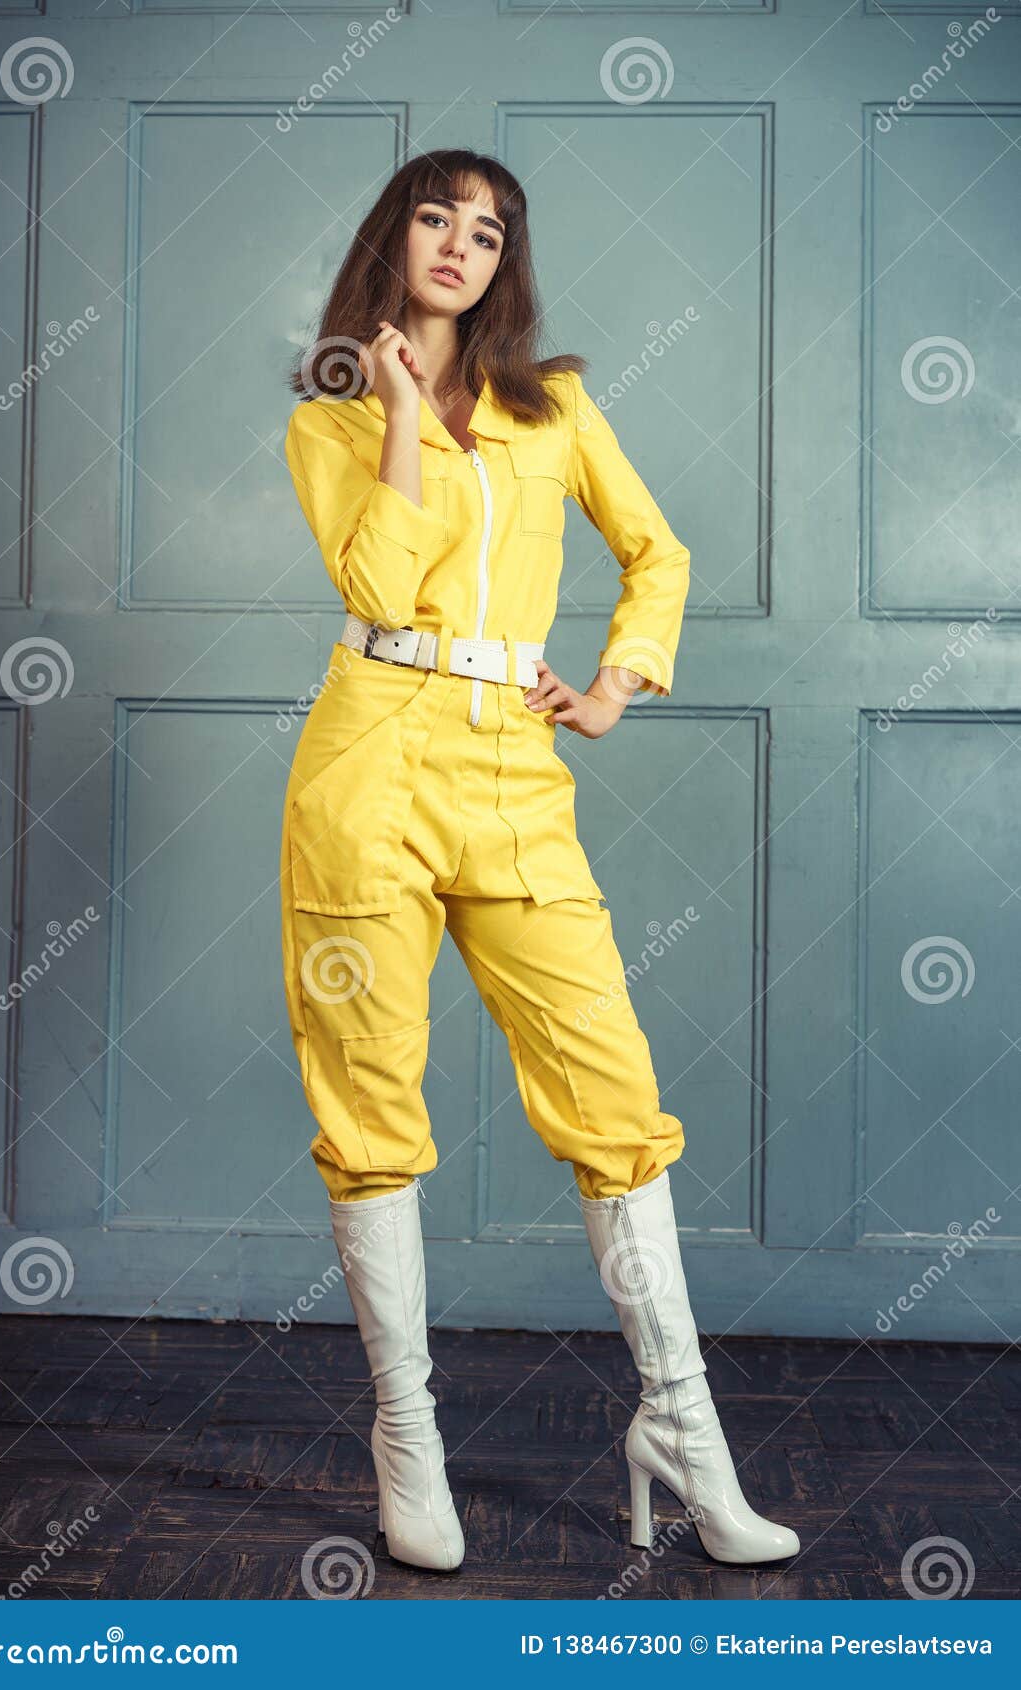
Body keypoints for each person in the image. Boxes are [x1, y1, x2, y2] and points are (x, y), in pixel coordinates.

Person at [279, 149, 799, 1574]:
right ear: (394, 236)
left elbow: (657, 552)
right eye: (435, 218)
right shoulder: (331, 417)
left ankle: (684, 1429)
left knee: (611, 1096)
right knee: (370, 1101)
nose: (460, 245)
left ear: (506, 262)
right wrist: (399, 410)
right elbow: (380, 585)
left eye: (488, 231)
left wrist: (619, 681)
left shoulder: (550, 405)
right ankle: (407, 1433)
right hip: (367, 768)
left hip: (512, 773)